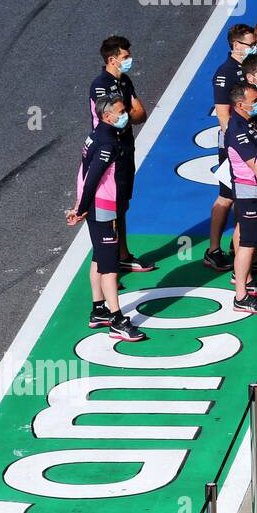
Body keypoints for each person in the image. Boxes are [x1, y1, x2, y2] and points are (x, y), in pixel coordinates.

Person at [68, 96, 144, 342]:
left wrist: (81, 203)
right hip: (103, 208)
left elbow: (83, 170)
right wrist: (79, 208)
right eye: (122, 112)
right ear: (107, 116)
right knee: (110, 268)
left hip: (95, 206)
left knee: (99, 257)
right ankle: (117, 320)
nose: (126, 115)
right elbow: (92, 176)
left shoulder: (95, 134)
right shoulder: (107, 143)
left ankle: (98, 309)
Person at [90, 35, 154, 273]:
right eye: (125, 56)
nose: (130, 60)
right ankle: (108, 262)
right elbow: (115, 120)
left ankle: (123, 254)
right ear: (112, 59)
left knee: (122, 204)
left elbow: (140, 114)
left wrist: (127, 116)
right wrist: (127, 116)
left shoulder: (125, 81)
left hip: (126, 148)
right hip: (109, 153)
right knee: (110, 208)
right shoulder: (100, 85)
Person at [205, 24, 257, 271]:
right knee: (227, 196)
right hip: (232, 143)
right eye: (250, 43)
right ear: (236, 46)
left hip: (246, 138)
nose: (255, 46)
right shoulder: (225, 73)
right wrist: (235, 144)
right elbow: (223, 115)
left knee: (244, 198)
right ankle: (213, 249)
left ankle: (242, 248)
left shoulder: (248, 68)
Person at [224, 84, 257, 314]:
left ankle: (247, 281)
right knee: (248, 243)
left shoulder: (249, 122)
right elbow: (255, 165)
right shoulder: (237, 130)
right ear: (240, 105)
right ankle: (241, 295)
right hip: (249, 190)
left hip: (251, 190)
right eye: (255, 99)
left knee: (244, 234)